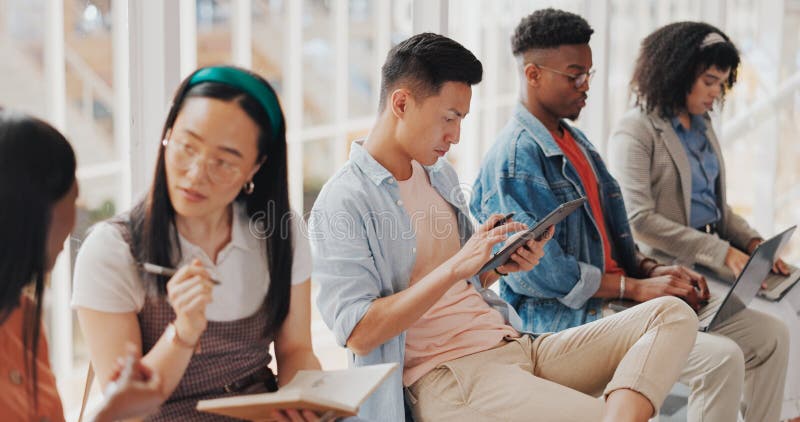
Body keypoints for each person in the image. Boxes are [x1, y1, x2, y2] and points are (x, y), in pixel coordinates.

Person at [311, 32, 698, 422]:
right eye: (449, 118)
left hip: (515, 344)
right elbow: (358, 331)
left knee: (670, 314)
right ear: (401, 103)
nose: (455, 136)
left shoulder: (438, 175)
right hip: (452, 375)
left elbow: (462, 284)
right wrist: (456, 268)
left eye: (461, 120)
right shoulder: (344, 201)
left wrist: (498, 266)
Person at [470, 9, 790, 422]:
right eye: (574, 76)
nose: (586, 87)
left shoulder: (575, 140)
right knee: (720, 359)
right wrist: (634, 289)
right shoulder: (515, 159)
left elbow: (614, 237)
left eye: (590, 73)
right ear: (533, 75)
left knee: (771, 335)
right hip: (574, 320)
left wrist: (656, 271)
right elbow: (538, 274)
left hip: (624, 299)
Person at [72, 66, 321, 421]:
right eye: (187, 146)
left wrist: (302, 399)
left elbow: (296, 348)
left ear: (256, 167)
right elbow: (126, 411)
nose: (195, 174)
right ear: (168, 135)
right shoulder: (113, 251)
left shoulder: (279, 232)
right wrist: (183, 331)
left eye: (223, 162)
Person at [607, 21, 800, 421]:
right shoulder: (636, 131)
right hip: (674, 265)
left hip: (714, 256)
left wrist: (751, 244)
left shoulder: (704, 126)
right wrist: (721, 252)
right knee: (778, 320)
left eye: (722, 83)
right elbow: (639, 220)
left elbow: (718, 209)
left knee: (795, 294)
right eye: (709, 81)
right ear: (677, 73)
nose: (716, 93)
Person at [0, 109, 164, 421]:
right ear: (31, 211)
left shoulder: (23, 316)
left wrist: (111, 411)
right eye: (73, 200)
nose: (76, 221)